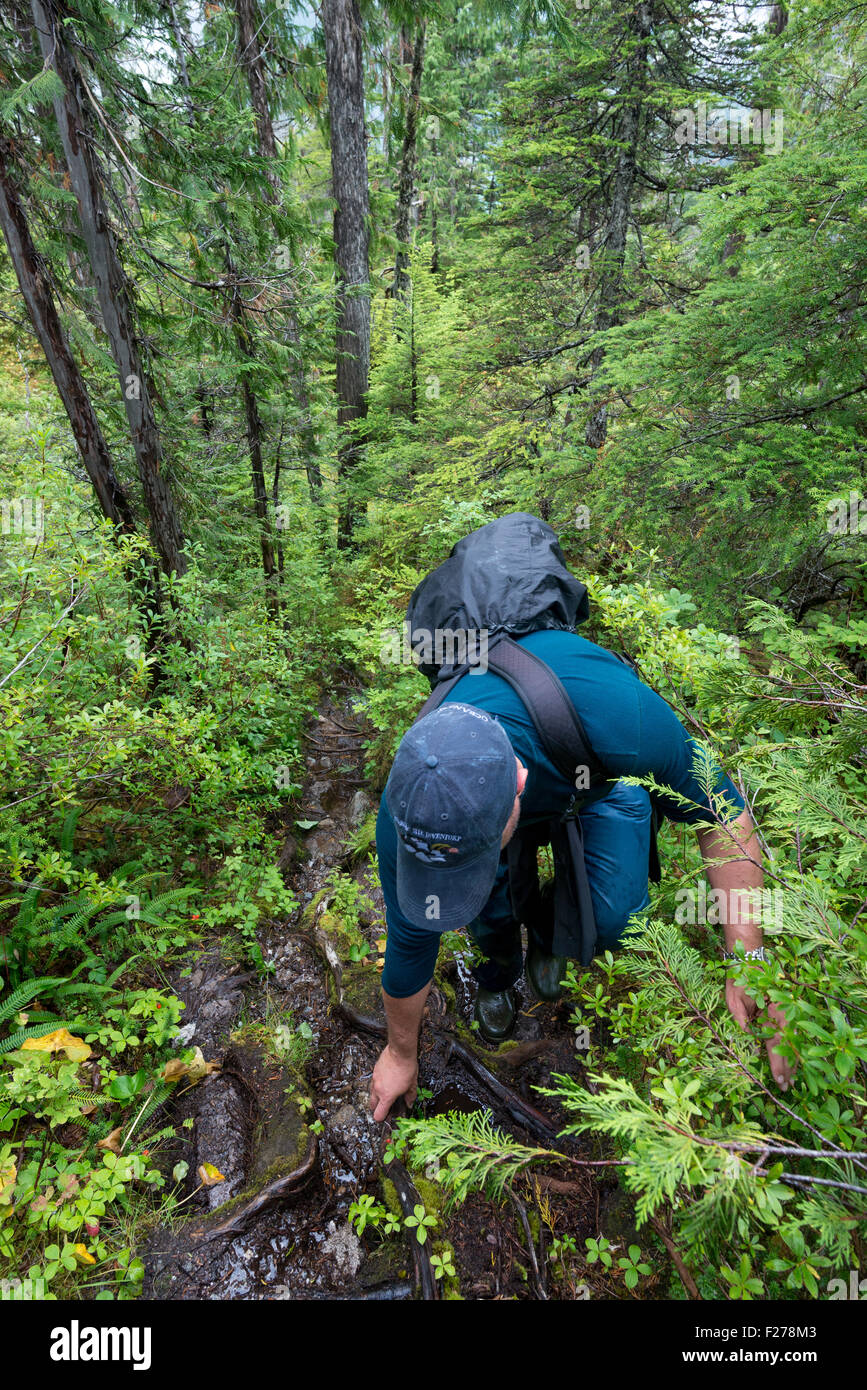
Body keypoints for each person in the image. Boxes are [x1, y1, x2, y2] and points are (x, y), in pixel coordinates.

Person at [368, 625, 794, 1123]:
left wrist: (747, 958)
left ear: (519, 784)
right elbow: (410, 940)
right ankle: (500, 970)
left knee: (616, 916)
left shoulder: (619, 718)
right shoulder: (410, 810)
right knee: (487, 904)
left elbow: (724, 816)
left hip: (593, 773)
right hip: (511, 792)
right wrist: (400, 1052)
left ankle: (550, 930)